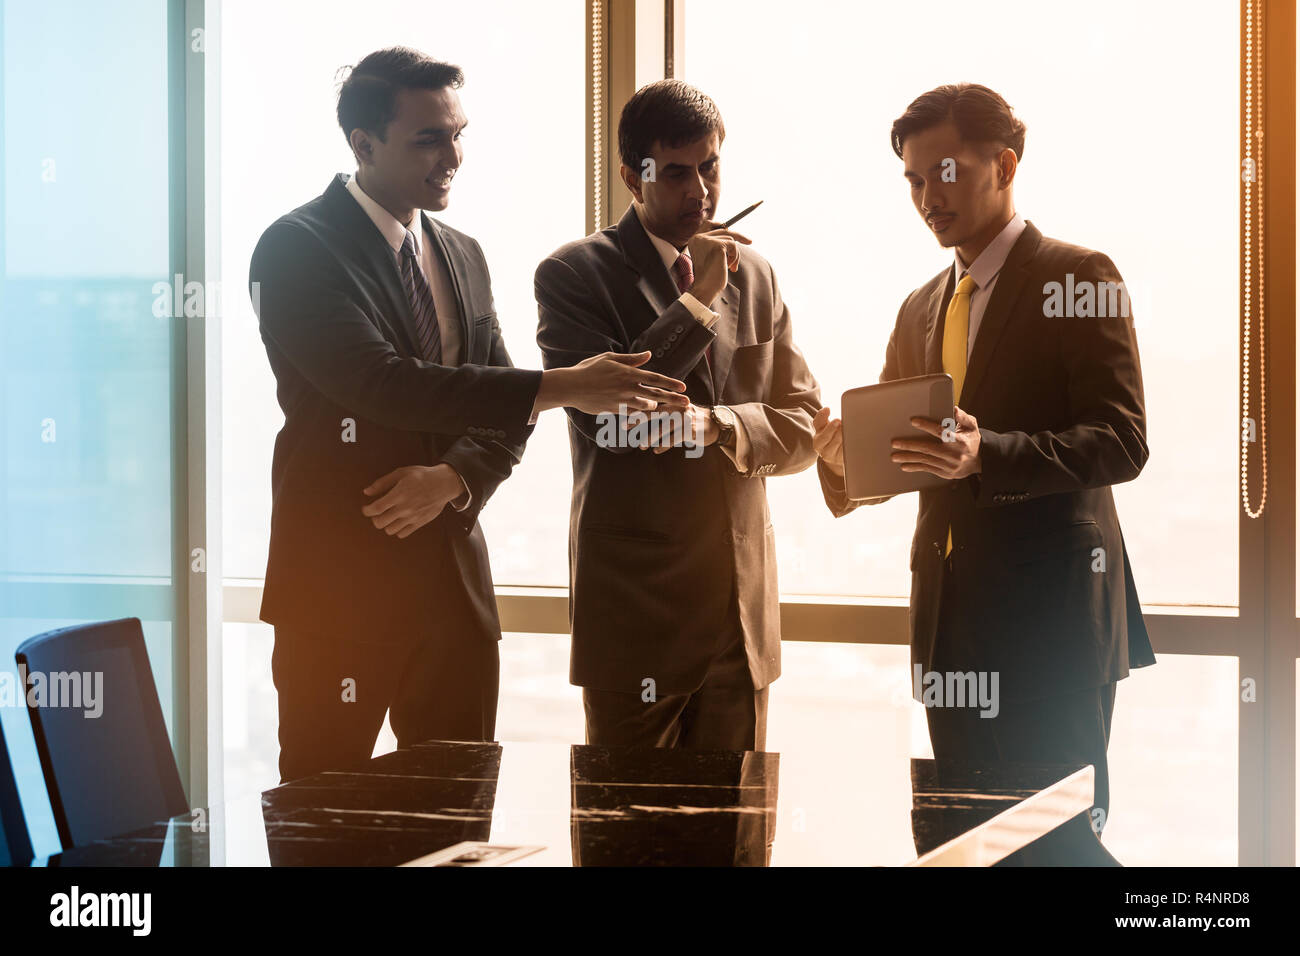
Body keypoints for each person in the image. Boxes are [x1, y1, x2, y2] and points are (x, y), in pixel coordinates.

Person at [249, 47, 689, 782]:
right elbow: (381, 382)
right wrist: (566, 385)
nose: (453, 155)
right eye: (429, 137)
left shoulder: (463, 253)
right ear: (362, 145)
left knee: (456, 825)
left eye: (458, 133)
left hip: (453, 595)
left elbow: (498, 405)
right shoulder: (296, 249)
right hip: (337, 598)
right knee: (321, 829)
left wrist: (453, 480)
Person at [813, 84, 1154, 859]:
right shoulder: (919, 307)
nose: (926, 197)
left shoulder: (1079, 274)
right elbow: (900, 460)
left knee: (1059, 846)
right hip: (950, 633)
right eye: (911, 181)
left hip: (1052, 627)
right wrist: (844, 462)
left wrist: (986, 450)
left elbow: (1122, 440)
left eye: (943, 171)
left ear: (1003, 164)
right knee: (960, 845)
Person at [536, 79, 821, 751]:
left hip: (741, 626)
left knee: (740, 847)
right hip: (638, 624)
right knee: (623, 843)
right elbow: (616, 419)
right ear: (632, 176)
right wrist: (699, 304)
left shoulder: (757, 274)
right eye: (677, 173)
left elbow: (803, 426)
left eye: (710, 167)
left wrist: (721, 425)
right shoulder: (575, 277)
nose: (701, 192)